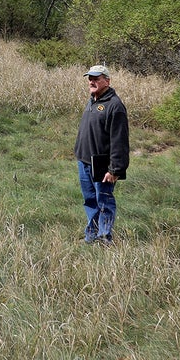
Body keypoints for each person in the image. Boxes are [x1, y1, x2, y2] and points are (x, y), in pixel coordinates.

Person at [74, 64, 130, 245]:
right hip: (84, 160)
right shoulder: (92, 100)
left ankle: (105, 238)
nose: (92, 82)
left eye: (96, 78)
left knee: (104, 201)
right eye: (90, 78)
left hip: (102, 164)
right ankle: (91, 235)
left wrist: (115, 169)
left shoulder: (115, 106)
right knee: (90, 200)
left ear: (107, 81)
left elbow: (119, 141)